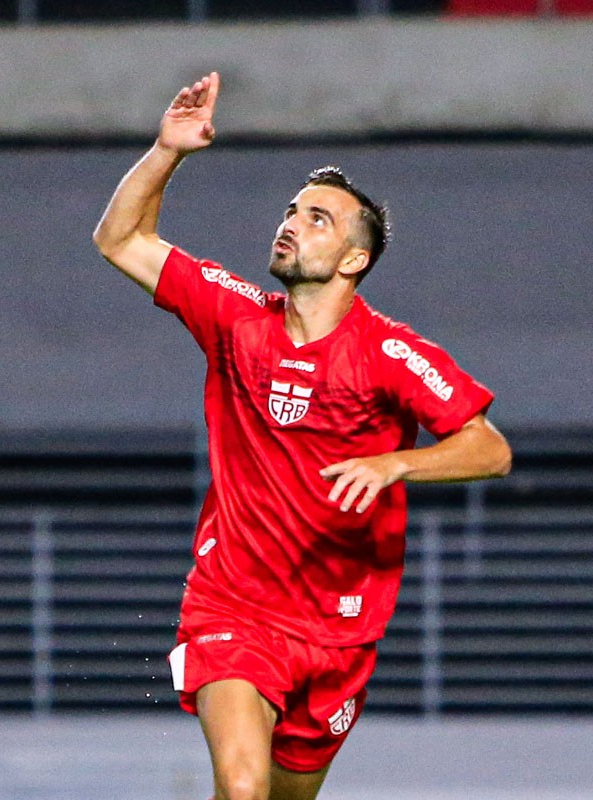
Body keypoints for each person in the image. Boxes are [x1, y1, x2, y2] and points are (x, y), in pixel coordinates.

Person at [92, 72, 513, 800]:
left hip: (339, 629)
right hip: (232, 606)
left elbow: (490, 449)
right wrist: (168, 151)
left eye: (318, 219)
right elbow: (119, 239)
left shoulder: (390, 352)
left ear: (353, 260)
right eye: (291, 211)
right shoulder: (235, 315)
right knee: (243, 787)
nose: (290, 223)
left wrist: (395, 463)